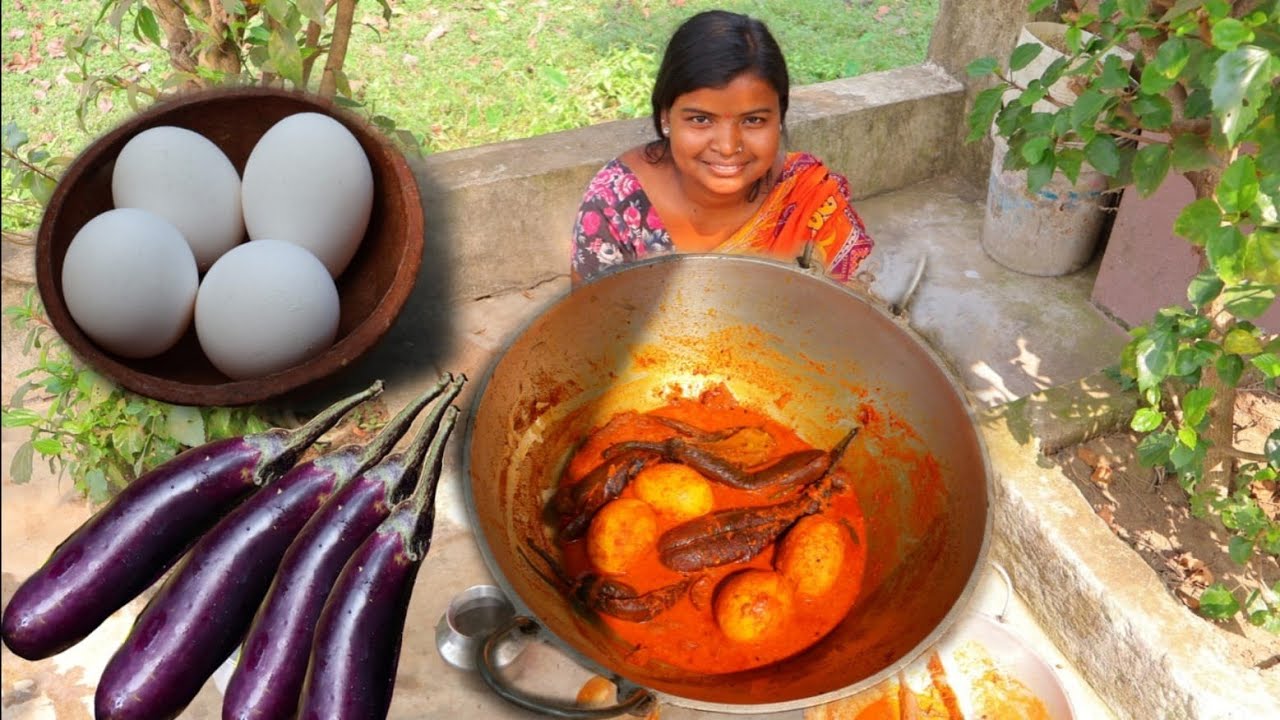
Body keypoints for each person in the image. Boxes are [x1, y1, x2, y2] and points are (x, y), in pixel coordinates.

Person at [570, 9, 873, 285]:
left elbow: (842, 315)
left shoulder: (810, 201)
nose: (728, 147)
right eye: (701, 119)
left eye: (753, 120)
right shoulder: (615, 204)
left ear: (779, 118)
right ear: (665, 116)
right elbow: (593, 320)